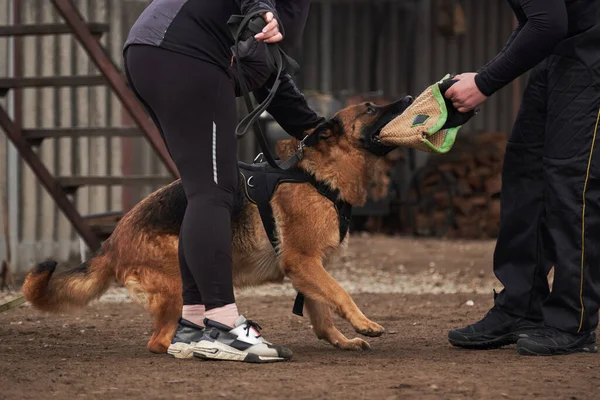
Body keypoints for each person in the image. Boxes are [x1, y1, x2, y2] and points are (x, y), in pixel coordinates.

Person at [122, 0, 322, 363]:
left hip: (149, 52)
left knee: (206, 188)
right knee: (215, 191)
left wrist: (317, 130)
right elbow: (265, 48)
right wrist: (261, 7)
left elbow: (266, 70)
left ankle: (194, 324)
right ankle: (225, 326)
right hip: (186, 53)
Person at [445, 0, 600, 356]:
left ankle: (572, 322)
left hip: (592, 56)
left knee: (572, 183)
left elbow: (547, 22)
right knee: (525, 172)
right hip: (559, 52)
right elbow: (535, 22)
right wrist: (488, 74)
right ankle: (521, 306)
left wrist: (483, 82)